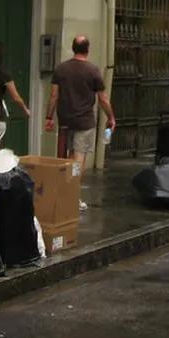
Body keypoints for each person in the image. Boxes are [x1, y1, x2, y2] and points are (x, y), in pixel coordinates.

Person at [46, 35, 115, 210]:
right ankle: (72, 197)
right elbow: (103, 99)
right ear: (87, 49)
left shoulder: (61, 69)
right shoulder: (93, 71)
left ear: (73, 48)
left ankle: (64, 193)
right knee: (78, 157)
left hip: (65, 120)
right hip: (84, 121)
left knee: (68, 156)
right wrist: (111, 117)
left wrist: (49, 117)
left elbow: (54, 95)